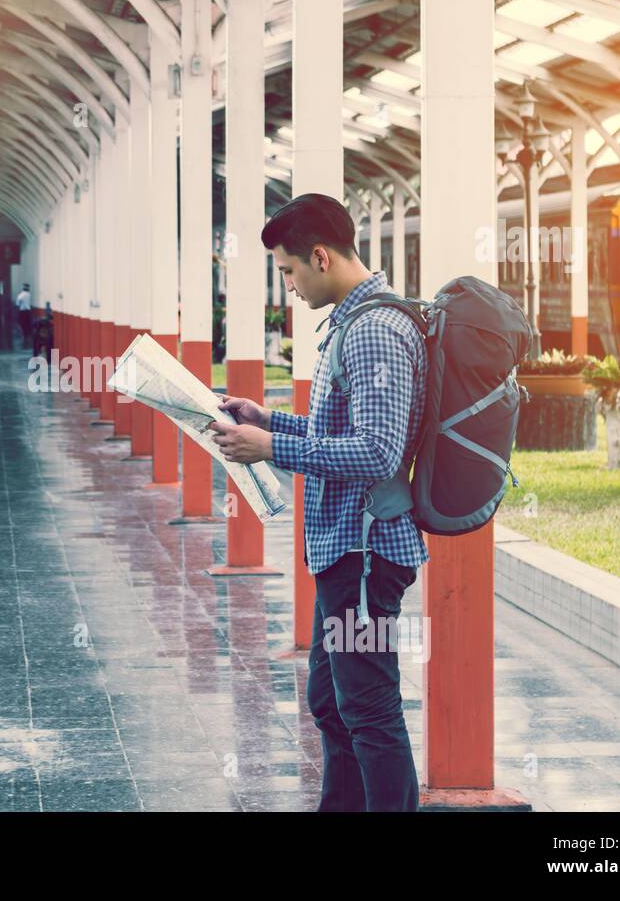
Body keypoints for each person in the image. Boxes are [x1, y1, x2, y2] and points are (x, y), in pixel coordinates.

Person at [208, 192, 428, 813]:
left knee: (369, 709)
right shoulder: (354, 325)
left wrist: (270, 447)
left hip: (365, 555)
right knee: (334, 704)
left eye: (288, 270)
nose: (290, 285)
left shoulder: (374, 332)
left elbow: (377, 454)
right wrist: (268, 421)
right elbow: (342, 431)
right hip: (345, 553)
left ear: (321, 257)